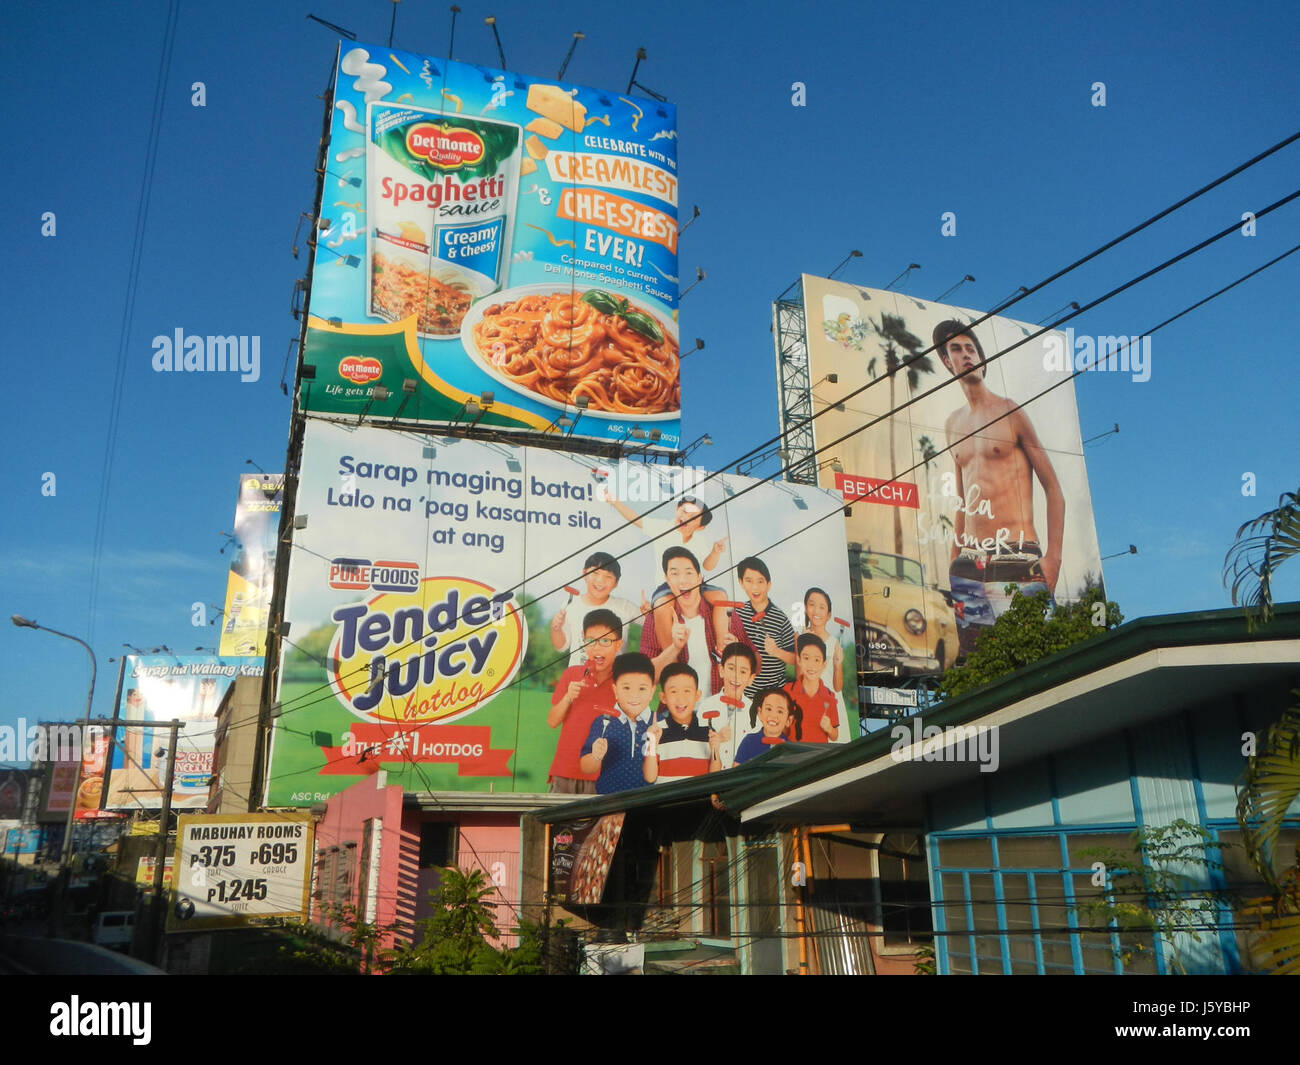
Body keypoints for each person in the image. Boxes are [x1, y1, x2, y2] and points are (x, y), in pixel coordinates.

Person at [936, 320, 1065, 639]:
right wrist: (954, 561)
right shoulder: (952, 424)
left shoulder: (1010, 412)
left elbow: (1054, 489)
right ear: (945, 361)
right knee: (979, 666)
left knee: (1034, 654)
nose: (966, 354)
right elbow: (964, 500)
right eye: (956, 349)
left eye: (971, 348)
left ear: (981, 357)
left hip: (1017, 555)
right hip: (969, 563)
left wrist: (1053, 558)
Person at [601, 490, 733, 646]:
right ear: (677, 508)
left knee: (721, 596)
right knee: (663, 605)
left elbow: (707, 566)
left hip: (696, 585)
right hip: (667, 586)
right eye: (684, 511)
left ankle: (722, 648)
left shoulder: (700, 541)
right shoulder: (662, 527)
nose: (686, 518)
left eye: (693, 517)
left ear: (700, 527)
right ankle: (669, 652)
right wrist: (615, 501)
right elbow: (636, 519)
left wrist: (715, 552)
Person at [546, 609, 623, 794]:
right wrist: (567, 697)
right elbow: (552, 721)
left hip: (604, 774)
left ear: (618, 644)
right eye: (591, 641)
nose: (597, 648)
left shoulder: (623, 682)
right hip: (564, 771)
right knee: (556, 822)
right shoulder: (572, 674)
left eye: (605, 641)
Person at [640, 546, 723, 695]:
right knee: (660, 604)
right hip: (675, 711)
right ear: (667, 579)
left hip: (719, 709)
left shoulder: (721, 611)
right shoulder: (656, 617)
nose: (683, 580)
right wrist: (674, 649)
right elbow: (646, 678)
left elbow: (753, 666)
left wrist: (734, 651)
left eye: (689, 572)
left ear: (699, 577)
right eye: (675, 573)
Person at [579, 652, 657, 794]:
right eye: (626, 688)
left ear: (652, 691)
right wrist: (596, 756)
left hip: (649, 804)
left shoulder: (659, 723)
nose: (634, 695)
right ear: (615, 690)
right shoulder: (603, 722)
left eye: (642, 688)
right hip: (610, 803)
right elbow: (586, 767)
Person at [549, 552, 641, 667]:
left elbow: (653, 622)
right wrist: (556, 629)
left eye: (608, 577)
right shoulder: (571, 605)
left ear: (616, 583)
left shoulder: (625, 607)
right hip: (578, 680)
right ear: (584, 574)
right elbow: (561, 646)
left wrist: (649, 611)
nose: (600, 581)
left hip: (614, 680)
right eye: (595, 573)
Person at [727, 556, 795, 696]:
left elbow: (796, 659)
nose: (755, 587)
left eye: (760, 581)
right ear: (741, 582)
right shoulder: (737, 615)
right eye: (749, 581)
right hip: (744, 694)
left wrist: (777, 652)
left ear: (768, 584)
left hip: (774, 694)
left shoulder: (780, 618)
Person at [643, 663, 722, 783]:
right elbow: (650, 777)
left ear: (697, 695)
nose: (681, 699)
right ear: (663, 697)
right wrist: (652, 744)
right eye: (674, 691)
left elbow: (714, 775)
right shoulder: (657, 730)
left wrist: (715, 749)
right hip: (668, 800)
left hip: (699, 798)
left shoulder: (707, 730)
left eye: (687, 691)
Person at [694, 642, 757, 769]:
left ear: (751, 678)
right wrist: (718, 740)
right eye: (731, 668)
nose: (736, 676)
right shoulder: (706, 707)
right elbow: (698, 750)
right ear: (721, 670)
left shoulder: (755, 712)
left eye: (743, 671)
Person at [799, 586, 847, 733]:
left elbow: (838, 687)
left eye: (821, 607)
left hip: (831, 706)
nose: (816, 611)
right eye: (812, 605)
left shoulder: (834, 643)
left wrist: (838, 665)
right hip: (809, 702)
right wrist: (803, 643)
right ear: (806, 609)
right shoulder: (800, 638)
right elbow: (798, 677)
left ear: (828, 615)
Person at [783, 633, 839, 743]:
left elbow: (835, 736)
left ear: (824, 664)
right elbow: (782, 730)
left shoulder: (830, 696)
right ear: (799, 660)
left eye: (817, 660)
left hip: (819, 756)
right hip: (793, 755)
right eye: (806, 658)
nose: (811, 665)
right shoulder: (787, 691)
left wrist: (829, 728)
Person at [733, 688, 801, 765]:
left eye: (780, 711)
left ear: (789, 720)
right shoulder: (749, 741)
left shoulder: (790, 749)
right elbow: (736, 771)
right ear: (760, 713)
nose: (773, 716)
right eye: (769, 709)